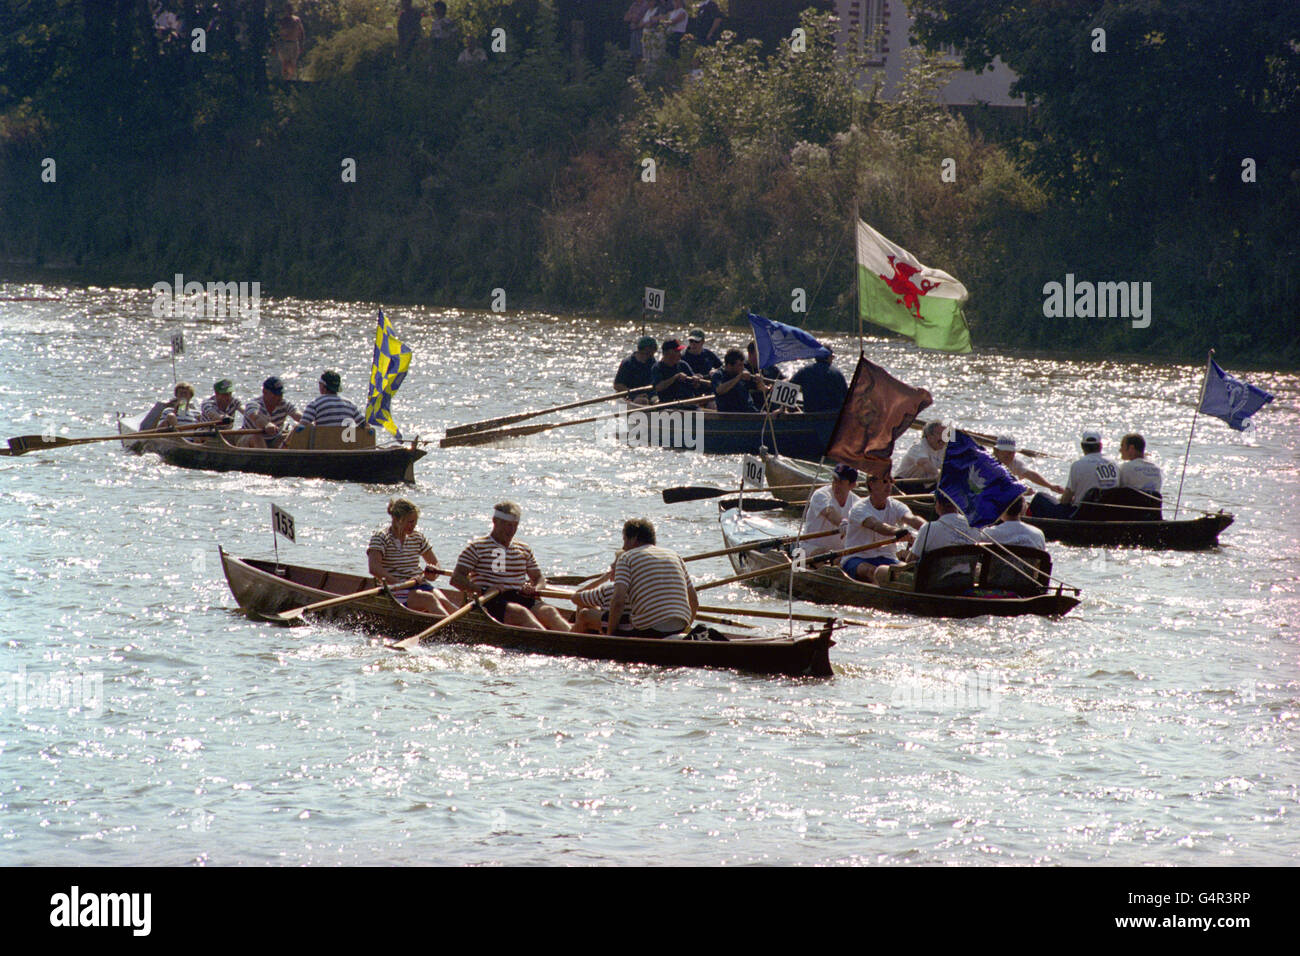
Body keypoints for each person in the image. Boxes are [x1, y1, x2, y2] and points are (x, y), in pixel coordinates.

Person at [450, 502, 570, 631]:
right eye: (507, 525)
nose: (511, 530)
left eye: (515, 526)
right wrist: (481, 590)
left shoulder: (524, 548)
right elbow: (456, 579)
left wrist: (535, 589)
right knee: (520, 613)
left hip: (519, 596)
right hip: (490, 599)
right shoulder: (476, 547)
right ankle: (550, 640)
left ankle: (573, 639)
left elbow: (539, 578)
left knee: (549, 611)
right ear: (495, 521)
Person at [604, 518, 697, 637]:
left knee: (593, 616)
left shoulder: (626, 558)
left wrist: (610, 635)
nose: (623, 547)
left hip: (649, 629)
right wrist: (686, 629)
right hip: (680, 626)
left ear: (634, 539)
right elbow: (693, 600)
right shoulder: (675, 555)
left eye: (625, 540)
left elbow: (618, 601)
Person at [367, 498, 457, 615]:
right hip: (394, 589)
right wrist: (400, 583)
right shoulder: (381, 537)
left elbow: (435, 565)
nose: (413, 526)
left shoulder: (417, 537)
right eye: (409, 522)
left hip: (419, 584)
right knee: (429, 599)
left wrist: (433, 573)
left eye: (415, 521)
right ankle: (452, 630)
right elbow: (374, 568)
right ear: (396, 519)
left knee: (444, 601)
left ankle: (464, 626)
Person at [874, 491, 978, 588]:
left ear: (937, 504)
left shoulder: (929, 528)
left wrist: (904, 554)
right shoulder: (974, 526)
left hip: (933, 584)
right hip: (964, 581)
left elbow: (911, 563)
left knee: (880, 571)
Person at [843, 473, 924, 581]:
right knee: (872, 571)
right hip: (857, 557)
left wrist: (929, 528)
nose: (889, 486)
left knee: (910, 574)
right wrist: (898, 531)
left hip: (887, 558)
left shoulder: (896, 505)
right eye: (885, 482)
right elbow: (876, 526)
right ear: (871, 484)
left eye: (891, 482)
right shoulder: (859, 508)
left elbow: (912, 519)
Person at [1029, 429, 1119, 519]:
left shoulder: (1078, 465)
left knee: (1040, 497)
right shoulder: (1114, 464)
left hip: (1081, 514)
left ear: (1082, 446)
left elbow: (1065, 500)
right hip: (1106, 513)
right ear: (1100, 446)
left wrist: (1063, 499)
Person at [800, 463, 861, 557]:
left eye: (840, 482)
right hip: (810, 548)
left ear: (852, 485)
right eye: (834, 480)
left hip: (838, 553)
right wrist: (843, 523)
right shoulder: (821, 495)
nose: (835, 485)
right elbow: (829, 512)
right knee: (824, 555)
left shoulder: (857, 503)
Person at [239, 376, 302, 448]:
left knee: (297, 433)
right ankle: (266, 458)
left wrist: (309, 422)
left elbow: (297, 414)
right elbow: (255, 416)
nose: (279, 397)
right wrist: (266, 424)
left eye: (280, 394)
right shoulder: (253, 404)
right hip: (248, 439)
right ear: (264, 392)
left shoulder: (284, 404)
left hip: (274, 439)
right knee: (257, 437)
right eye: (275, 394)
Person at [992, 436, 1063, 494]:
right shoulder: (988, 462)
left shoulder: (1015, 463)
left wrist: (1050, 486)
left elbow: (1030, 475)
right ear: (996, 451)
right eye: (1006, 452)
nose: (1009, 455)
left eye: (1011, 452)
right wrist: (1022, 490)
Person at [790, 349, 847, 414]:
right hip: (833, 415)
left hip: (810, 414)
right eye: (832, 357)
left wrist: (782, 410)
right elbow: (846, 396)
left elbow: (789, 388)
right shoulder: (837, 373)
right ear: (828, 357)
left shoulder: (804, 371)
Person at [300, 370, 365, 428]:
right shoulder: (350, 405)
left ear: (323, 387)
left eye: (319, 383)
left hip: (322, 441)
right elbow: (365, 425)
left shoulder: (315, 404)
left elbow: (302, 426)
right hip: (345, 441)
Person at [652, 339, 710, 403]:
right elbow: (658, 387)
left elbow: (695, 385)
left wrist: (696, 380)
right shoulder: (657, 367)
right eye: (677, 351)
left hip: (688, 403)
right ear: (667, 353)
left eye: (680, 351)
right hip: (669, 404)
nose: (680, 354)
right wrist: (675, 378)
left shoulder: (683, 364)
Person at [709, 349, 760, 413]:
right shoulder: (718, 375)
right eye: (739, 365)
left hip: (749, 410)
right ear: (729, 366)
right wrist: (738, 377)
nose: (742, 367)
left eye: (743, 364)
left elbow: (761, 388)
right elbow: (720, 390)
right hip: (730, 413)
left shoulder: (743, 372)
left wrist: (759, 381)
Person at [614, 335, 657, 400]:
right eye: (652, 349)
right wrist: (634, 394)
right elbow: (617, 385)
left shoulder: (653, 362)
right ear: (645, 350)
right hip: (631, 395)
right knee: (641, 401)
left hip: (649, 395)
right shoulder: (627, 363)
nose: (654, 352)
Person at [275, 3, 305, 80]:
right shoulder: (283, 21)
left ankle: (290, 78)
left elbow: (301, 32)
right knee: (285, 62)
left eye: (291, 9)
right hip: (284, 43)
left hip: (294, 43)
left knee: (292, 62)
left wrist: (301, 44)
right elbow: (278, 33)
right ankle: (285, 79)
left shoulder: (297, 20)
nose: (289, 11)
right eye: (288, 9)